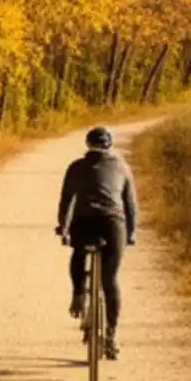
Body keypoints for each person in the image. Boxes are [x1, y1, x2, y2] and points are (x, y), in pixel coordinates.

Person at [54, 126, 136, 359]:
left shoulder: (76, 167)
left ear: (87, 145)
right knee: (109, 278)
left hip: (84, 221)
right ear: (109, 146)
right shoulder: (121, 166)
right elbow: (130, 205)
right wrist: (131, 233)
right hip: (113, 224)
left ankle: (79, 293)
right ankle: (110, 336)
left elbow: (66, 200)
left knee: (79, 251)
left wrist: (64, 227)